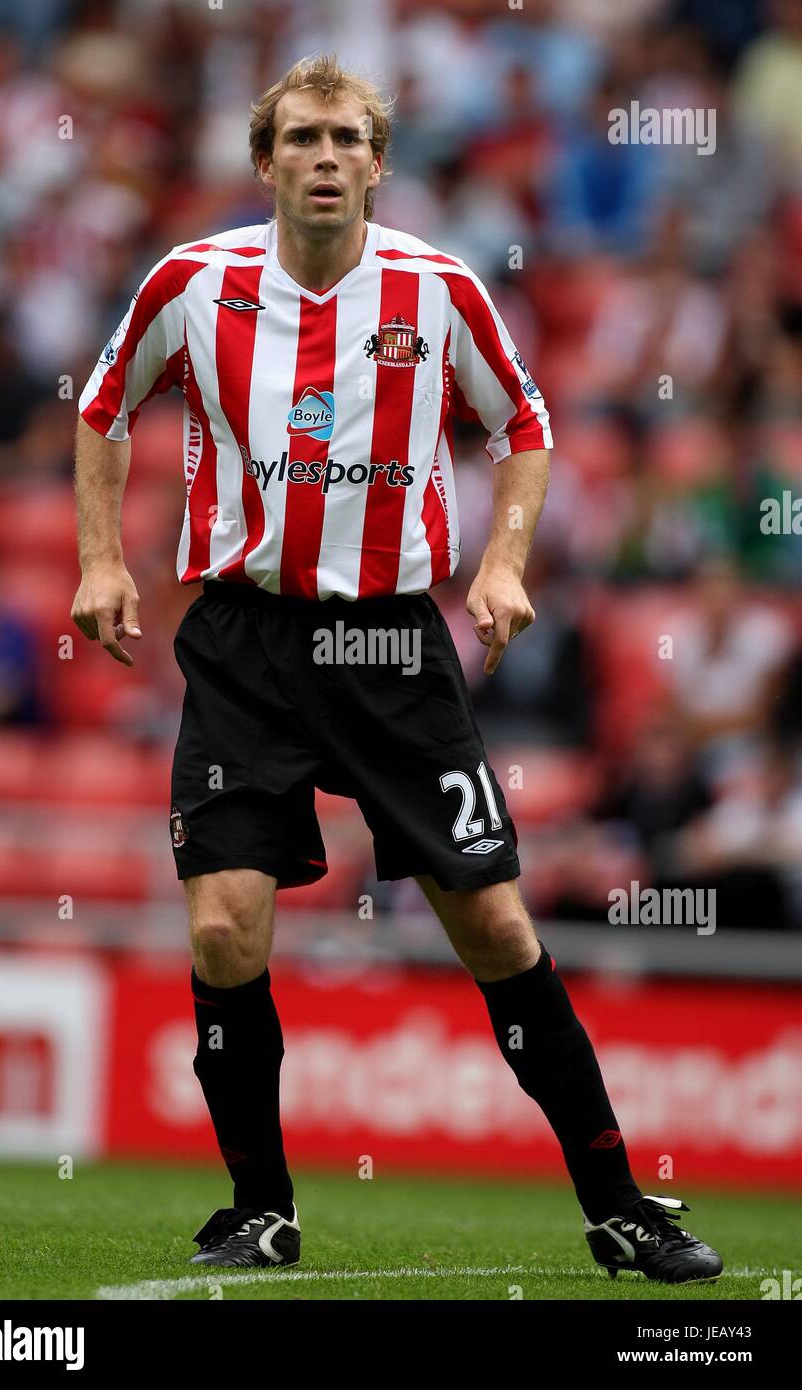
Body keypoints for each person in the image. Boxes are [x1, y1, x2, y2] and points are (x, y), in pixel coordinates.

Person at [71, 55, 721, 1284]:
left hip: (387, 644)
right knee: (223, 925)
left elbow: (524, 422)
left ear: (377, 163)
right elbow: (102, 408)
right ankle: (259, 1210)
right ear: (264, 162)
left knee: (491, 924)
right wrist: (100, 561)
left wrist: (506, 562)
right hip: (243, 641)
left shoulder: (437, 288)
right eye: (302, 138)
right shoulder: (190, 283)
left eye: (346, 140)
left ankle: (619, 1203)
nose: (324, 158)